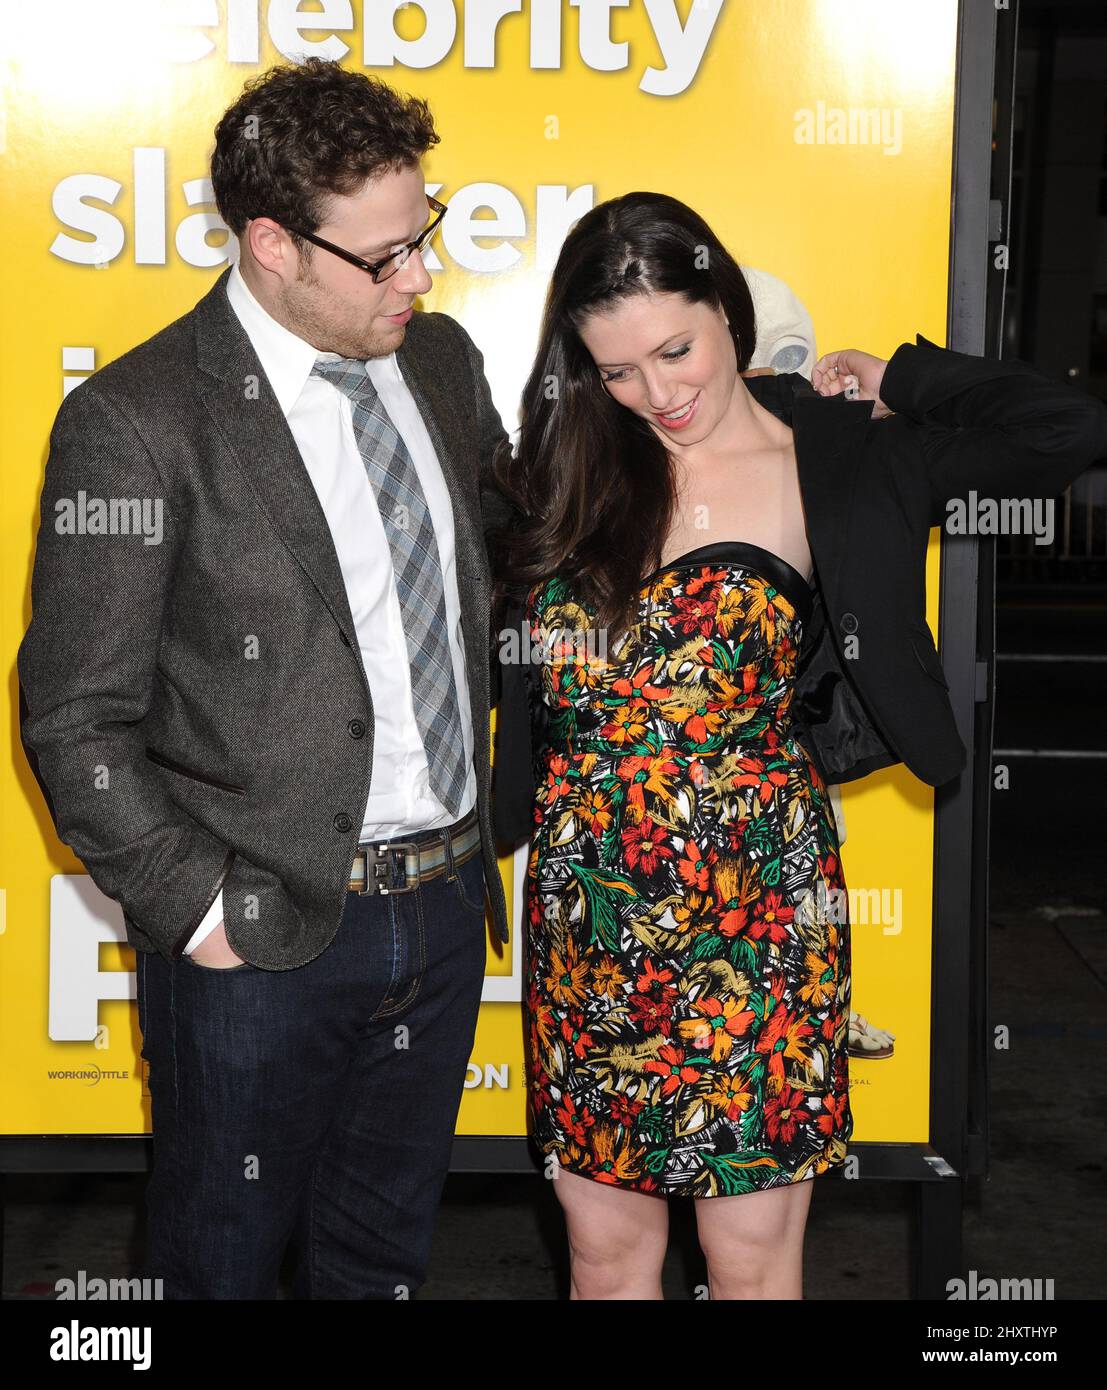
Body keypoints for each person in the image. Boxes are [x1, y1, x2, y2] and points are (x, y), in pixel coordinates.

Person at [488, 191, 1107, 1300]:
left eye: (676, 349)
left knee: (753, 1258)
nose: (658, 393)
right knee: (605, 1254)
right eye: (618, 371)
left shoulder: (841, 458)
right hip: (589, 916)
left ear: (727, 306)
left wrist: (899, 379)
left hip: (759, 913)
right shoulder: (567, 468)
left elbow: (1069, 430)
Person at [17, 57, 512, 1299]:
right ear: (273, 245)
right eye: (386, 255)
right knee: (219, 1265)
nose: (422, 274)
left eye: (426, 235)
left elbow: (522, 558)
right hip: (262, 936)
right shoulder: (136, 419)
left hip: (445, 905)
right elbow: (74, 712)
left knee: (382, 1263)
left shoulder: (442, 362)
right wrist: (200, 912)